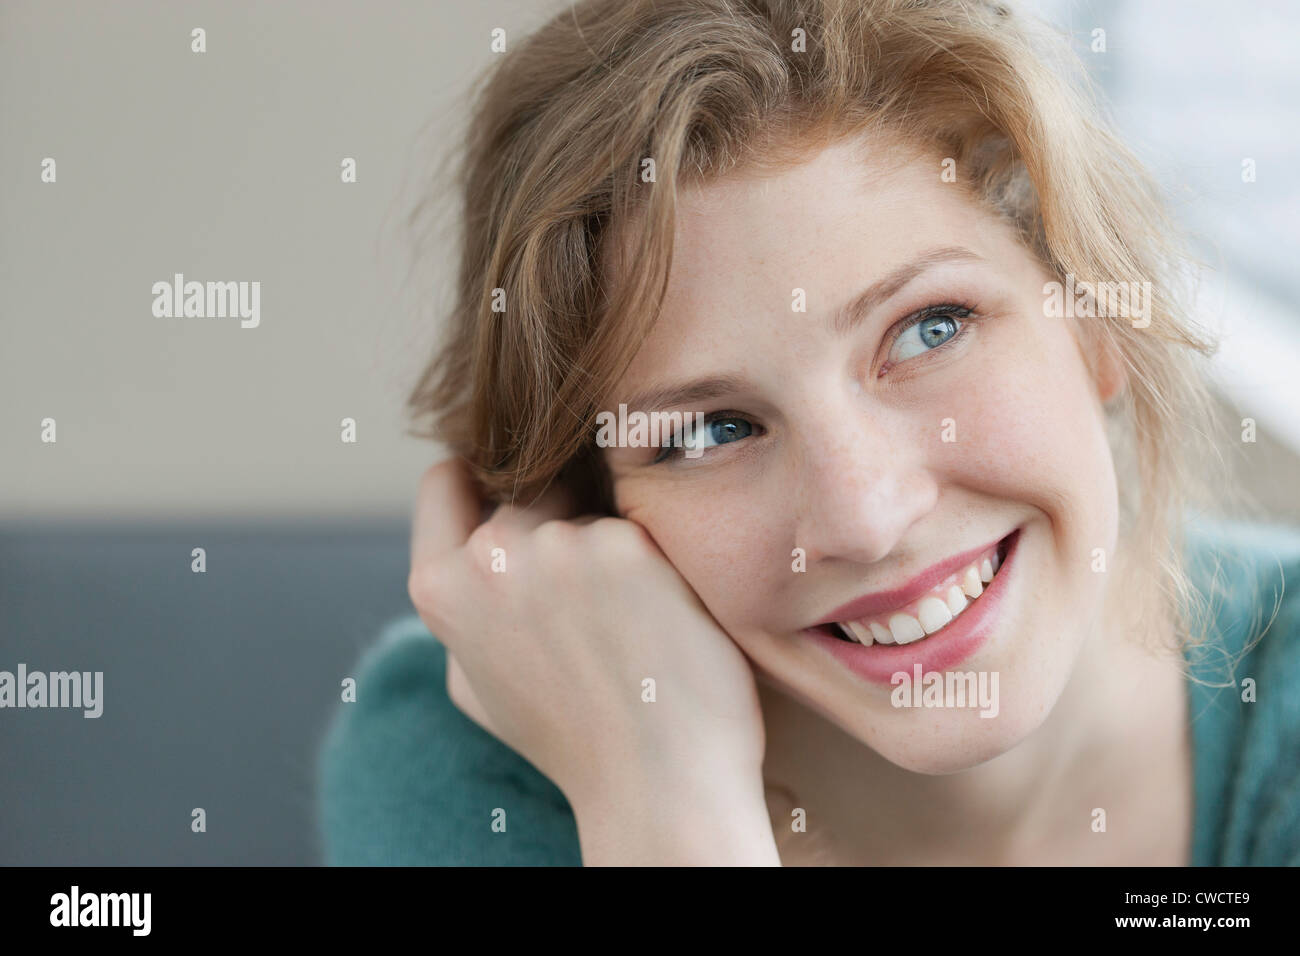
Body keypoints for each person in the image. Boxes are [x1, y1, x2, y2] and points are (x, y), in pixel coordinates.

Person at [317, 0, 1300, 865]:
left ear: (1089, 316)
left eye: (929, 329)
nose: (865, 516)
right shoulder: (477, 759)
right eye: (711, 431)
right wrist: (663, 804)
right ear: (579, 508)